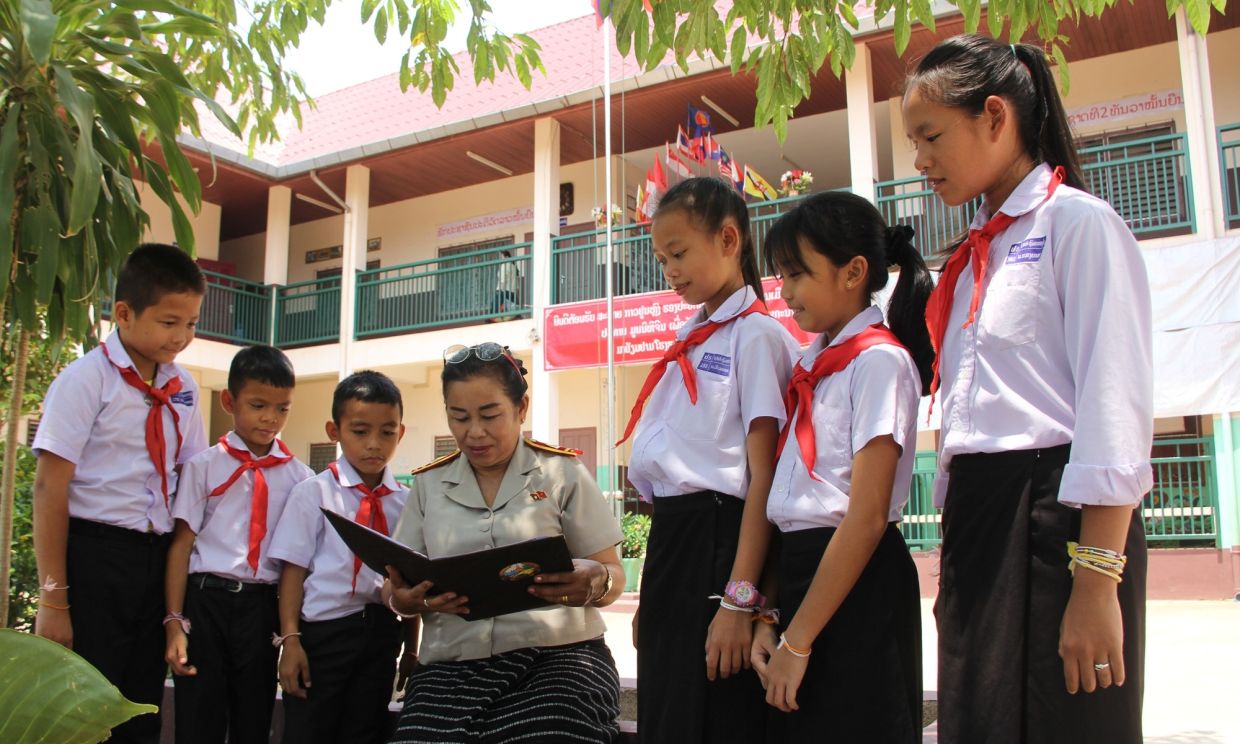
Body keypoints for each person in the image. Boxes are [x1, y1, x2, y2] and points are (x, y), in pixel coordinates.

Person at [904, 34, 1152, 743]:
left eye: (930, 137)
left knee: (1068, 722)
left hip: (1061, 523)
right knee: (977, 724)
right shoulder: (977, 252)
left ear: (993, 117)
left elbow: (1114, 406)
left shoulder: (1080, 225)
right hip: (982, 519)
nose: (919, 162)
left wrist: (1098, 579)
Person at [618, 177, 800, 743]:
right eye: (660, 258)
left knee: (716, 712)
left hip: (722, 542)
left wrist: (740, 600)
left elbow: (762, 477)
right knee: (668, 710)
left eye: (678, 253)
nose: (669, 270)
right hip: (675, 541)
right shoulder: (691, 335)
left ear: (728, 240)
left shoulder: (757, 338)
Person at [750, 192, 933, 741]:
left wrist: (798, 641)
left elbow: (867, 515)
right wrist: (770, 614)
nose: (785, 292)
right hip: (804, 577)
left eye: (798, 274)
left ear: (854, 272)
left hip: (858, 582)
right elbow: (792, 509)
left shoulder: (879, 363)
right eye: (781, 276)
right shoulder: (813, 366)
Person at [387, 342, 624, 744]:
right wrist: (404, 600)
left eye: (490, 415)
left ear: (522, 408)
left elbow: (613, 576)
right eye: (458, 417)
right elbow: (394, 584)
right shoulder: (427, 485)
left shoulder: (561, 474)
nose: (473, 432)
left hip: (559, 661)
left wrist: (597, 580)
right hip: (451, 667)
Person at [32, 243, 209, 744]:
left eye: (192, 323)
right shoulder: (85, 380)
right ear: (124, 314)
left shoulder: (184, 389)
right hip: (94, 557)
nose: (182, 337)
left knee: (141, 704)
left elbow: (190, 476)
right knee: (86, 705)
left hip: (155, 560)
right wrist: (53, 600)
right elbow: (48, 488)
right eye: (170, 322)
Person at [164, 345, 314, 744]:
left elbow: (296, 563)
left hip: (261, 608)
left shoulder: (300, 478)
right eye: (258, 405)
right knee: (198, 718)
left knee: (254, 715)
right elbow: (182, 545)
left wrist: (289, 633)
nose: (270, 418)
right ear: (229, 401)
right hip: (206, 601)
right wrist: (175, 620)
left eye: (282, 408)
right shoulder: (203, 465)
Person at [267, 371, 418, 744]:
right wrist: (291, 641)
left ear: (400, 433)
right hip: (323, 635)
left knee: (364, 731)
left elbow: (409, 577)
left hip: (383, 633)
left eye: (386, 432)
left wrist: (412, 649)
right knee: (309, 730)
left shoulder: (406, 502)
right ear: (334, 431)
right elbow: (293, 572)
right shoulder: (313, 494)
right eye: (360, 430)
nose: (373, 444)